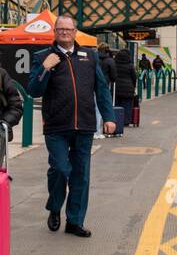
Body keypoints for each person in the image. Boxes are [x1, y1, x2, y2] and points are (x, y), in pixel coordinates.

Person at [26, 16, 115, 238]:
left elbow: (101, 90)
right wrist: (44, 70)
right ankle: (55, 207)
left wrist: (108, 117)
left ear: (75, 32)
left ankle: (75, 221)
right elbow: (33, 90)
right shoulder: (43, 57)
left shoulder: (90, 56)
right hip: (56, 126)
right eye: (60, 29)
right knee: (60, 169)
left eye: (69, 29)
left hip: (84, 125)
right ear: (55, 32)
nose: (64, 32)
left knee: (81, 175)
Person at [113, 47, 136, 129]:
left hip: (117, 88)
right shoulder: (130, 65)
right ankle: (126, 121)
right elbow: (134, 77)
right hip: (128, 88)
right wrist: (133, 86)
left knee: (117, 104)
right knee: (127, 105)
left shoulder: (114, 63)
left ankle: (117, 119)